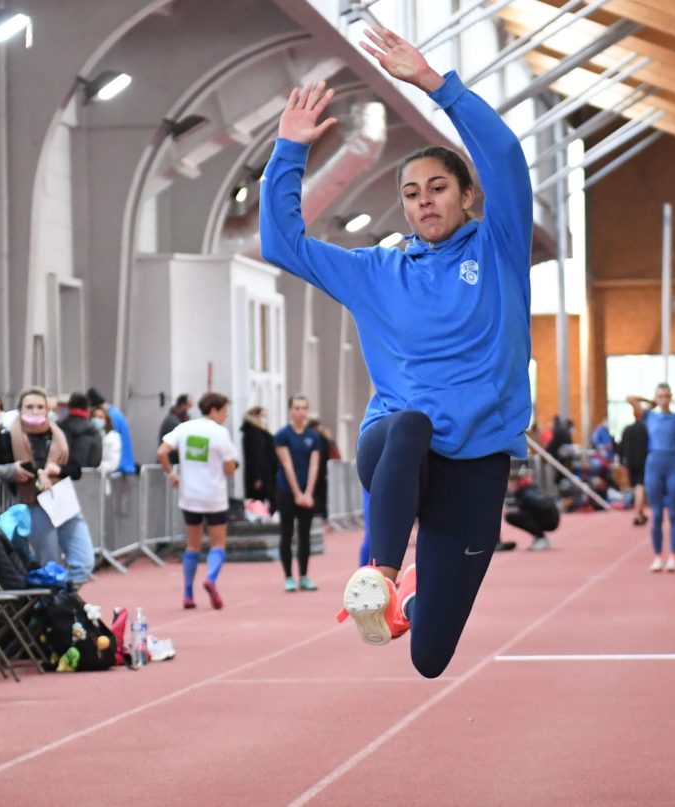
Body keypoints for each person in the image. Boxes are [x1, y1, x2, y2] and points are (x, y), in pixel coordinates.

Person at [260, 25, 533, 678]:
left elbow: (505, 155)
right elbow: (282, 243)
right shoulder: (377, 270)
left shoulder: (499, 249)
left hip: (475, 464)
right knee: (408, 423)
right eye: (411, 194)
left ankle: (410, 596)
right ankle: (379, 573)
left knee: (430, 657)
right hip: (397, 448)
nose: (423, 202)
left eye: (437, 188)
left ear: (466, 195)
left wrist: (440, 87)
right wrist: (290, 151)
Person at [157, 391, 239, 609]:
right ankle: (211, 579)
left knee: (192, 545)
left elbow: (162, 451)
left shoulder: (185, 428)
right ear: (213, 410)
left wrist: (171, 475)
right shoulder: (220, 433)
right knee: (217, 543)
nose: (225, 417)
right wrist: (228, 466)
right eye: (224, 412)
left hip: (190, 495)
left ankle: (188, 593)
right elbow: (230, 467)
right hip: (213, 496)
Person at [8, 387, 96, 586]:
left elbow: (75, 469)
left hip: (62, 500)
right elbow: (10, 465)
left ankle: (66, 599)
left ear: (47, 409)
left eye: (40, 406)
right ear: (20, 409)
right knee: (50, 564)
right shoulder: (10, 436)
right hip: (34, 503)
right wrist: (39, 471)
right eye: (29, 406)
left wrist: (58, 469)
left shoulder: (57, 434)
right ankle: (55, 609)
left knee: (84, 561)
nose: (35, 410)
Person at [628, 385, 675, 573]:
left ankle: (673, 557)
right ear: (657, 398)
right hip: (654, 464)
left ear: (671, 397)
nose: (664, 399)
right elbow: (630, 398)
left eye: (667, 396)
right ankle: (657, 557)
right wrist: (648, 401)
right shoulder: (649, 416)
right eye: (660, 396)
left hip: (673, 464)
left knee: (673, 513)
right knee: (657, 514)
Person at [274, 395, 321, 592]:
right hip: (287, 490)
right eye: (296, 408)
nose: (300, 411)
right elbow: (287, 464)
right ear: (290, 410)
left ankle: (303, 575)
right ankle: (288, 577)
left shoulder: (314, 436)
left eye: (303, 408)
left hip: (306, 491)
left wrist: (308, 493)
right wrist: (297, 493)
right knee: (287, 533)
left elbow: (314, 464)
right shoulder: (282, 435)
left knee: (305, 534)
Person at [87, 386, 136, 475]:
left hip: (119, 468)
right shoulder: (116, 413)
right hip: (123, 466)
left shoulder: (111, 417)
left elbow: (108, 444)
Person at [504, 473, 560, 551]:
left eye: (508, 483)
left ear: (514, 482)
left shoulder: (526, 491)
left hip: (549, 519)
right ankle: (539, 537)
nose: (507, 487)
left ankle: (541, 538)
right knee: (516, 515)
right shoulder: (527, 488)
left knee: (511, 516)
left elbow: (544, 505)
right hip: (550, 517)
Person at [240, 405, 277, 514]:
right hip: (262, 474)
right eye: (262, 415)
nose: (265, 418)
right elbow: (256, 456)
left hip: (266, 472)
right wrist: (257, 477)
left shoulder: (257, 432)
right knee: (262, 501)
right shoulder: (254, 433)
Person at [618, 397, 649, 527]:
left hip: (630, 461)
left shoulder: (627, 429)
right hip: (642, 461)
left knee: (636, 486)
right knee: (640, 486)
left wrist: (622, 461)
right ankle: (637, 514)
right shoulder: (646, 429)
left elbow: (621, 447)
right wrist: (648, 400)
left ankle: (640, 512)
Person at [58, 392, 102, 469]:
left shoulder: (59, 427)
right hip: (85, 476)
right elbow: (96, 459)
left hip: (61, 475)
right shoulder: (93, 430)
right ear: (87, 408)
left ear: (69, 407)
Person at [158, 393, 193, 465]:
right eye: (189, 406)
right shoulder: (173, 421)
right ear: (183, 404)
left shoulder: (179, 419)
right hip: (171, 462)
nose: (189, 409)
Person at [91, 405, 122, 476]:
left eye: (100, 417)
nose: (96, 420)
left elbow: (113, 463)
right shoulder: (89, 436)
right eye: (94, 417)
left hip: (104, 478)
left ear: (106, 420)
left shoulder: (113, 437)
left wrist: (96, 467)